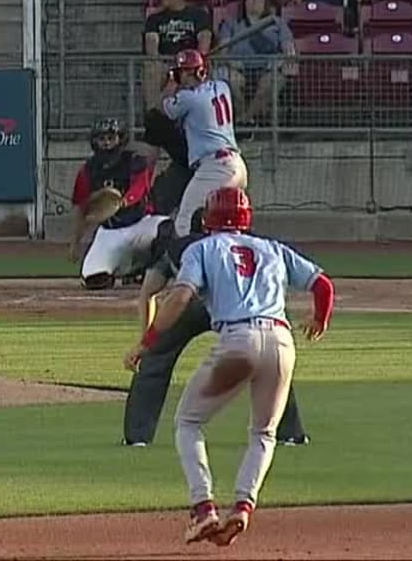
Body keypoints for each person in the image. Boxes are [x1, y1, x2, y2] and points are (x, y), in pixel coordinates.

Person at [124, 186, 334, 547]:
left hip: (238, 341)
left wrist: (146, 341)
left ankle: (203, 509)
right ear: (246, 217)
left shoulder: (201, 248)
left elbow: (180, 300)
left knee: (188, 423)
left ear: (207, 219)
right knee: (264, 434)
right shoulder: (272, 248)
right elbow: (322, 285)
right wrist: (320, 319)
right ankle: (242, 507)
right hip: (282, 343)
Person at [122, 207, 311, 448]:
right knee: (273, 361)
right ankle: (291, 434)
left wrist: (146, 340)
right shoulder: (254, 243)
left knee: (156, 358)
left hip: (189, 304)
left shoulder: (181, 248)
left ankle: (137, 437)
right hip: (239, 305)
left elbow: (149, 293)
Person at [68, 118, 165, 291]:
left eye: (111, 138)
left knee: (166, 228)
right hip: (109, 231)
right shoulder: (87, 170)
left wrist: (120, 202)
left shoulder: (135, 160)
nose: (106, 143)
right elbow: (81, 207)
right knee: (94, 280)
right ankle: (125, 269)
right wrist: (75, 242)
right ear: (94, 142)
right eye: (102, 139)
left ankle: (146, 269)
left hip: (140, 224)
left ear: (121, 139)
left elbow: (139, 188)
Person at [161, 49, 247, 237]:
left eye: (184, 73)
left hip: (215, 166)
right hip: (237, 164)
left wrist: (170, 83)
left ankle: (184, 264)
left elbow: (166, 108)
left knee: (184, 219)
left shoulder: (188, 98)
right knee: (227, 224)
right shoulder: (222, 86)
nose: (184, 77)